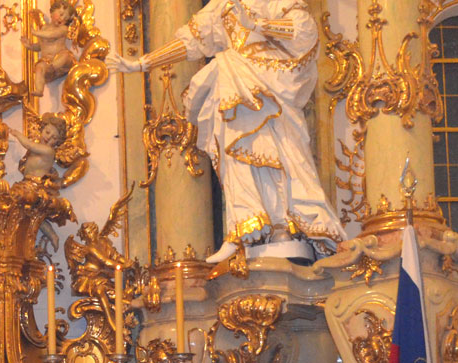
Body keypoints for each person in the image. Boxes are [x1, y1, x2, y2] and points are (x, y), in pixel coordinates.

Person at [107, 0, 343, 263]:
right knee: (234, 152)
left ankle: (283, 227)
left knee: (278, 151)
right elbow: (192, 40)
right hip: (233, 80)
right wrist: (143, 63)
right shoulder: (224, 6)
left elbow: (304, 31)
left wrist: (258, 25)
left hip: (271, 81)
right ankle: (243, 227)